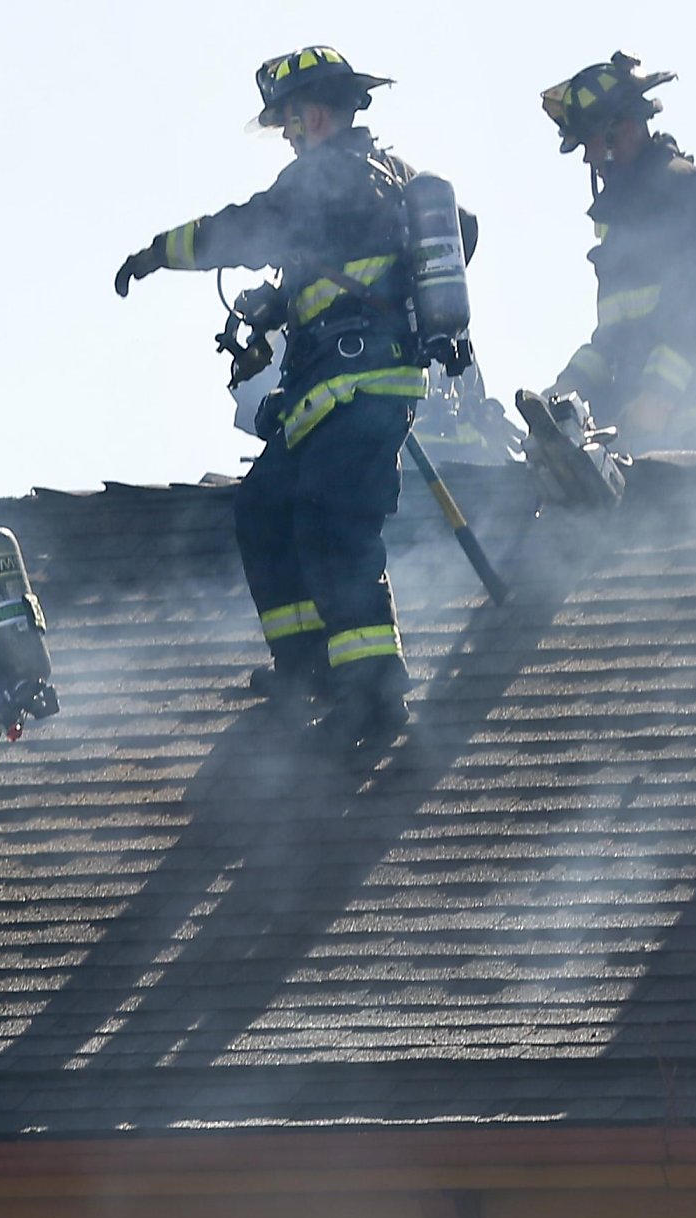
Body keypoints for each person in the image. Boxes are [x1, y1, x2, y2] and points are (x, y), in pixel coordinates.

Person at [114, 45, 428, 750]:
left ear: (315, 113)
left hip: (357, 386)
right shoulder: (389, 180)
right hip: (330, 387)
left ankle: (374, 696)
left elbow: (246, 228)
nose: (287, 134)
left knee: (334, 530)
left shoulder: (330, 175)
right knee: (264, 510)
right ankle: (306, 663)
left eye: (289, 121)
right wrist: (281, 303)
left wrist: (160, 252)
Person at [540, 52, 696, 452]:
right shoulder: (620, 223)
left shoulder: (688, 191)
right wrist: (568, 389)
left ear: (623, 128)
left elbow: (694, 313)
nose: (588, 157)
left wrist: (659, 397)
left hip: (693, 428)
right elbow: (613, 338)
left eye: (592, 142)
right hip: (633, 430)